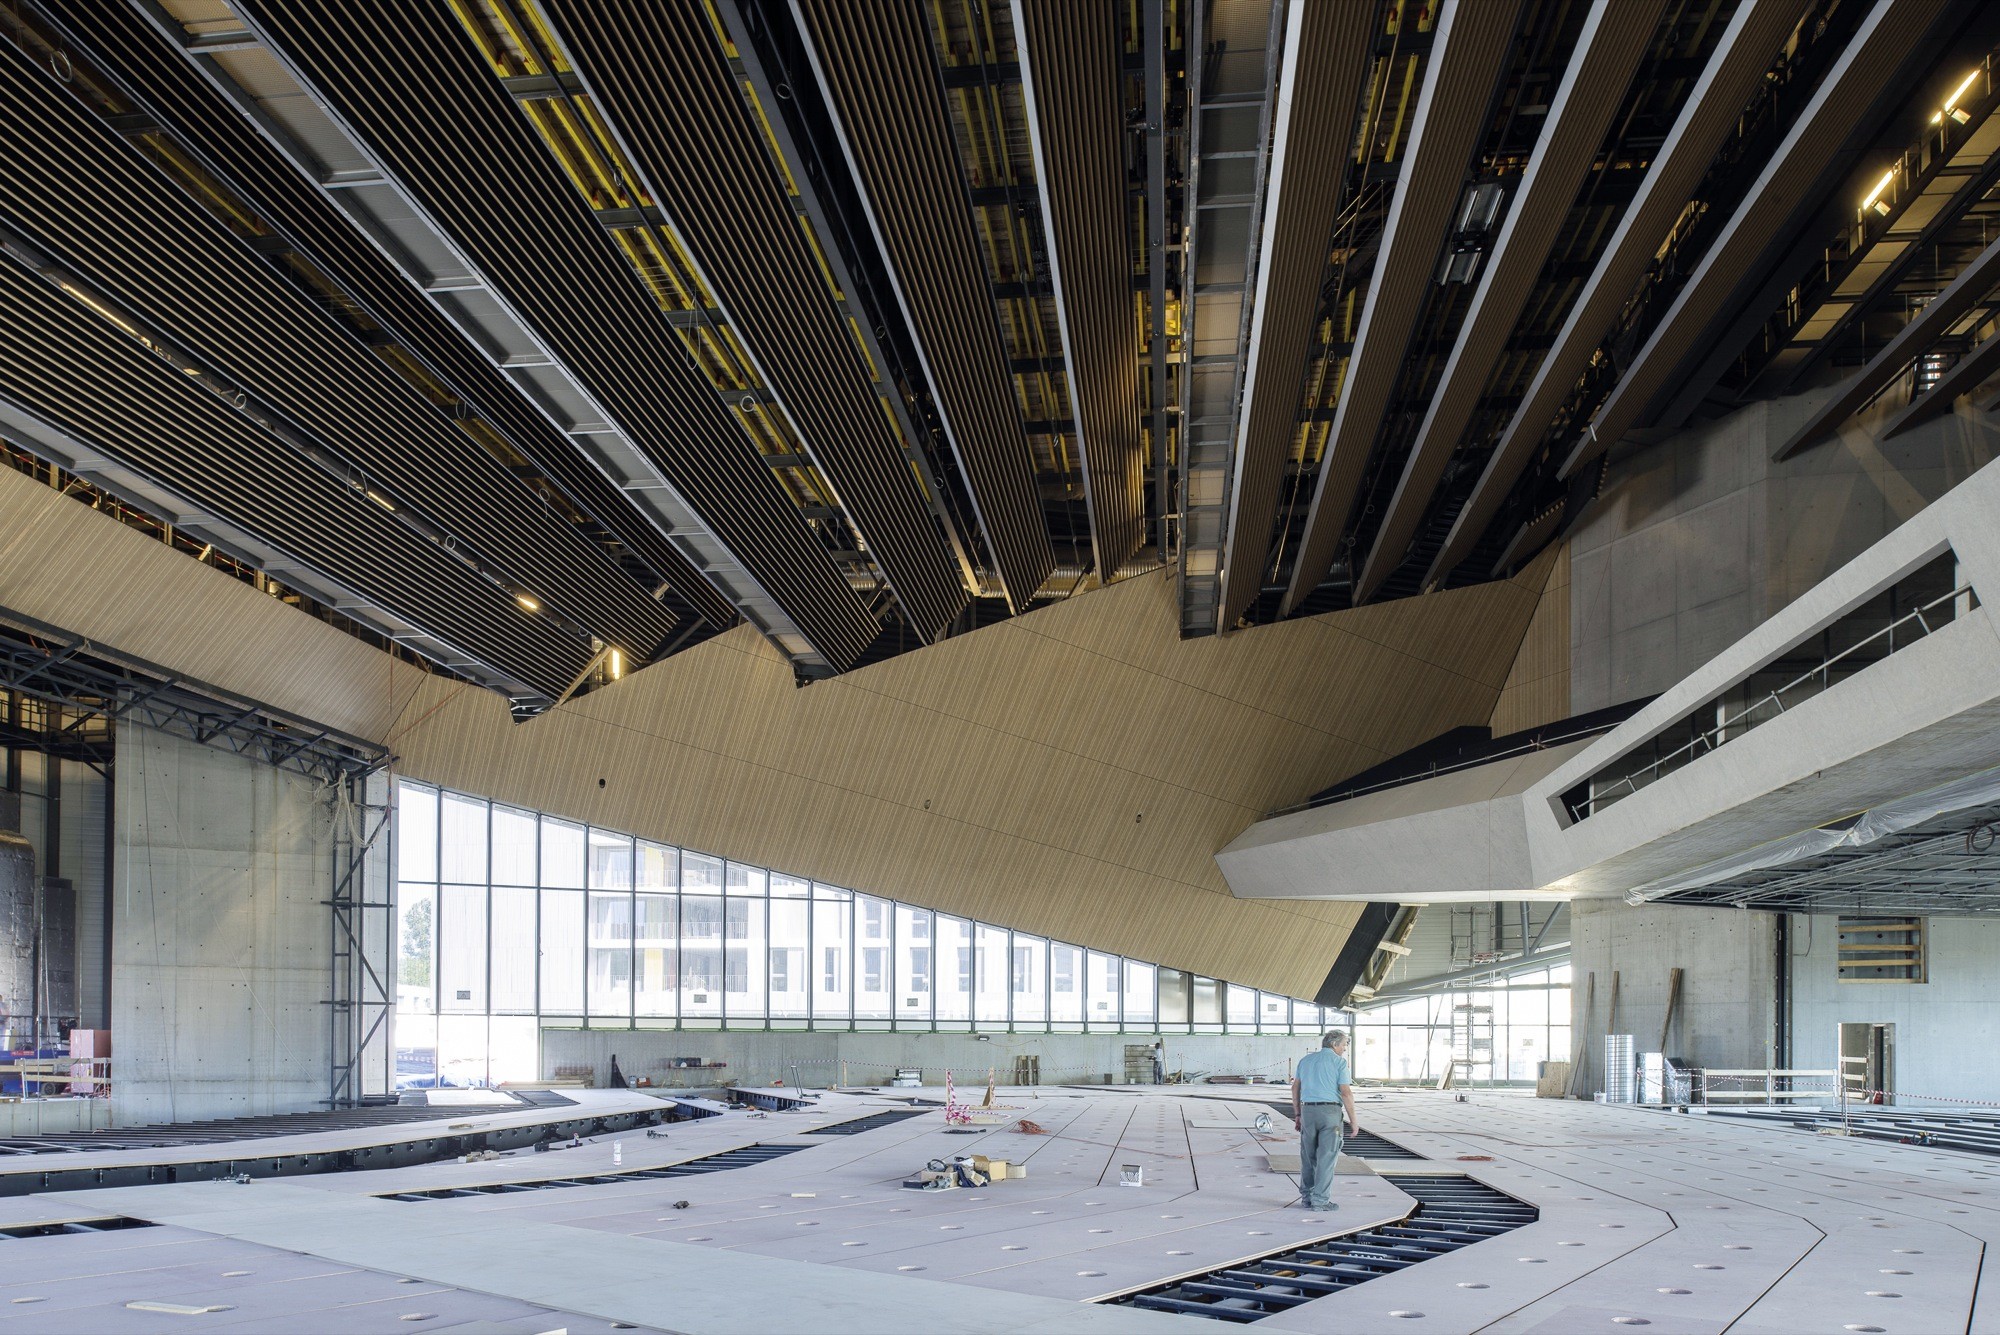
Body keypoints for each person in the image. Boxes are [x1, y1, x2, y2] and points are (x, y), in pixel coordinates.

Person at [1290, 1030, 1357, 1211]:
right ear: (1334, 1044)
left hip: (1307, 1111)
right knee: (1326, 1157)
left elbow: (1295, 1088)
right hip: (1330, 1113)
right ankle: (1320, 1201)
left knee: (1308, 1156)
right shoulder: (1339, 1063)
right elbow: (1346, 1093)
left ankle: (1307, 1198)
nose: (1344, 1049)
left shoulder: (1305, 1061)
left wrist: (1297, 1115)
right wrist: (1353, 1121)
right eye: (1343, 1045)